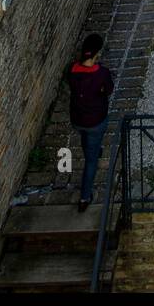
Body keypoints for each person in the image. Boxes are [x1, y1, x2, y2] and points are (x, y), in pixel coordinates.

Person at [67, 33, 115, 212]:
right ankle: (85, 197)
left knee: (87, 140)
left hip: (78, 120)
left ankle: (93, 148)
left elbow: (72, 85)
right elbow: (108, 90)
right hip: (95, 121)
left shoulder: (72, 70)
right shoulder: (101, 73)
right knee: (91, 161)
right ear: (96, 54)